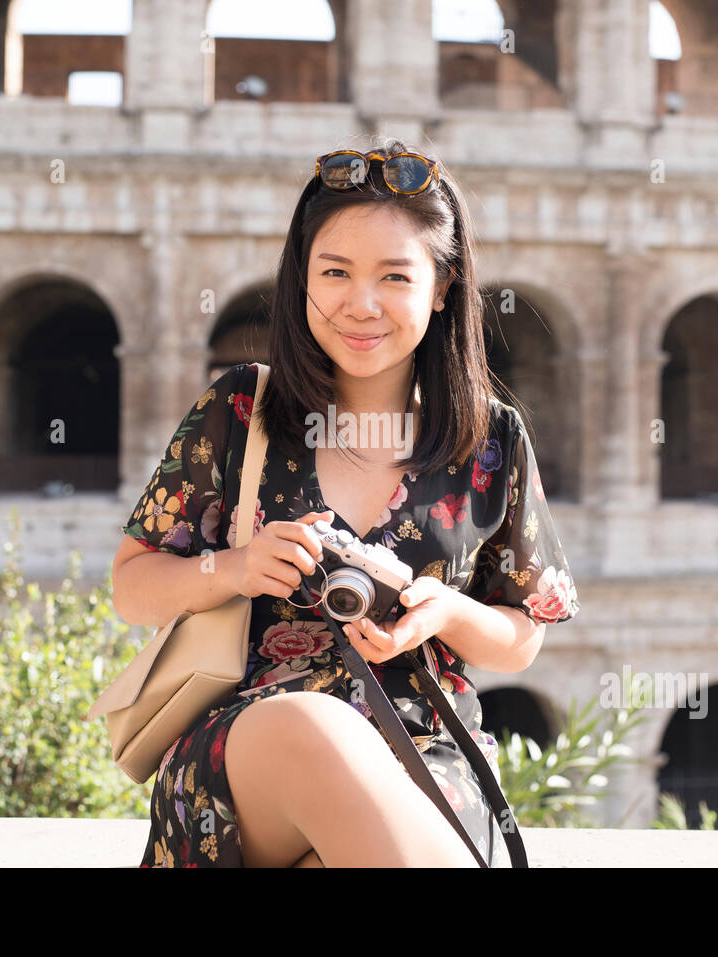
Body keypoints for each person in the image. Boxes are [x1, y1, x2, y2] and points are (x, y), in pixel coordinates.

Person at [111, 137, 579, 867]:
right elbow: (132, 585)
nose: (361, 304)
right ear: (303, 279)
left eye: (395, 275)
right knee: (315, 726)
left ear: (443, 284)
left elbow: (523, 635)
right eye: (334, 272)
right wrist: (234, 569)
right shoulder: (241, 407)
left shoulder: (491, 438)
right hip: (252, 748)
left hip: (423, 750)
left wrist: (445, 611)